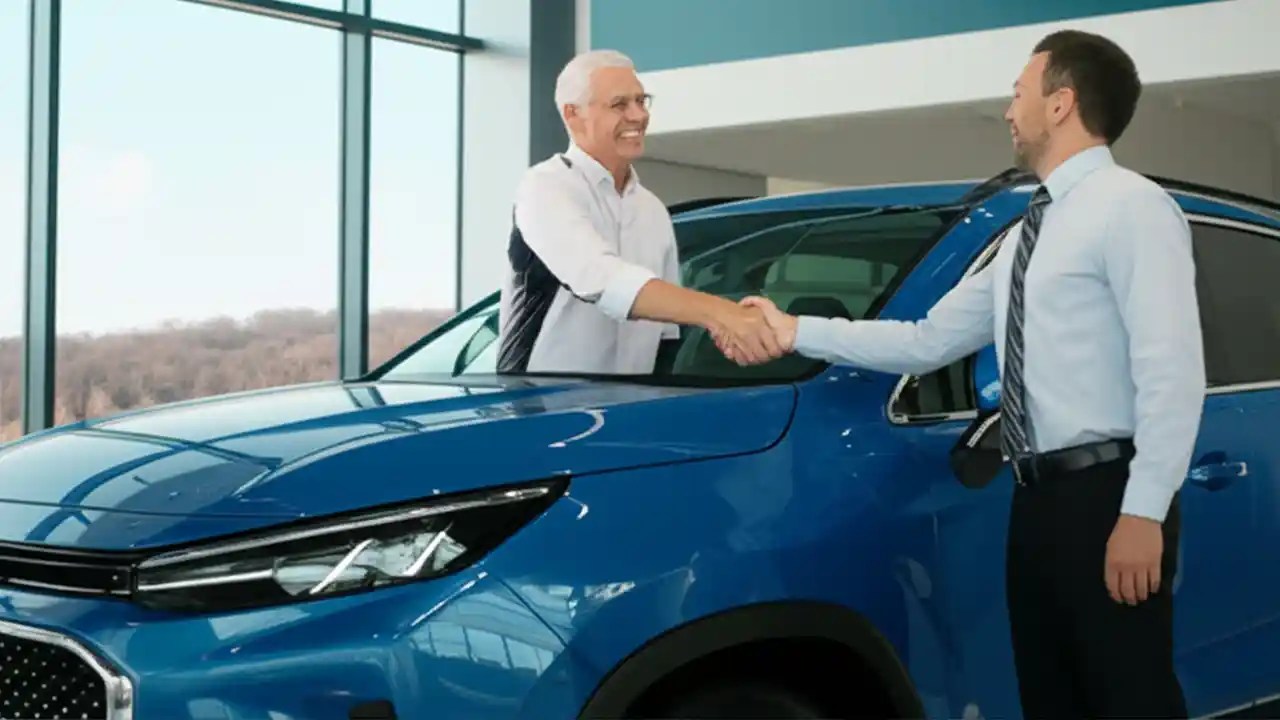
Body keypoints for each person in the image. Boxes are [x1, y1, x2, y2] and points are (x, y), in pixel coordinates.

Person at [730, 30, 1204, 719]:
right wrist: (793, 329)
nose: (1009, 111)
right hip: (1037, 501)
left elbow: (1171, 370)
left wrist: (1143, 511)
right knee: (1053, 700)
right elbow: (927, 340)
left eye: (1019, 93)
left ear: (1062, 103)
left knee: (1129, 699)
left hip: (1107, 495)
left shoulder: (1131, 208)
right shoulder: (1025, 234)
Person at [497, 49, 780, 375]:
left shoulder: (652, 210)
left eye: (641, 101)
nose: (638, 116)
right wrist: (722, 314)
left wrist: (731, 331)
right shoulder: (545, 187)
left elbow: (665, 336)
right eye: (619, 104)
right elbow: (599, 278)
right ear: (573, 115)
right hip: (541, 412)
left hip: (630, 412)